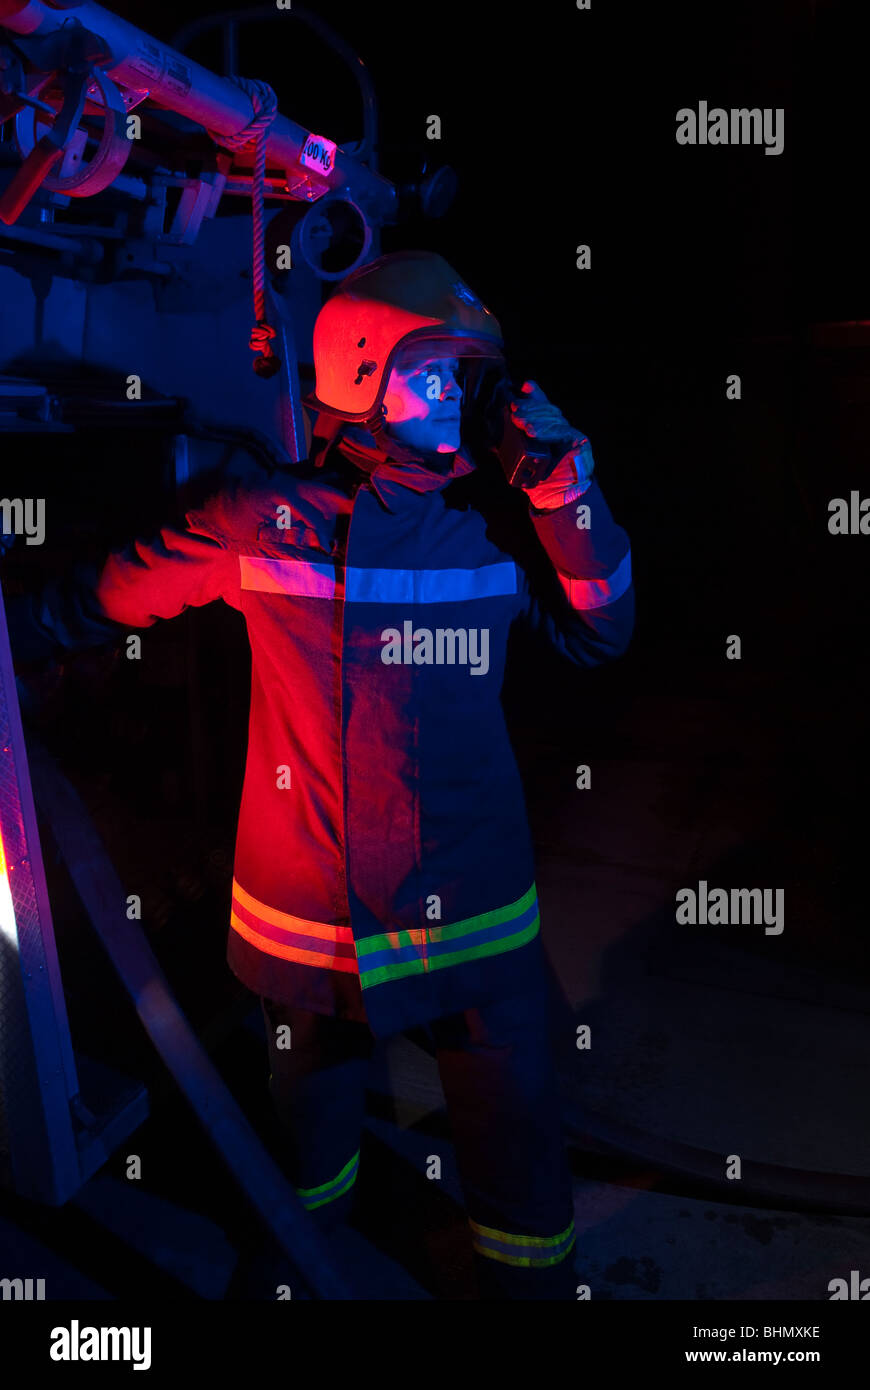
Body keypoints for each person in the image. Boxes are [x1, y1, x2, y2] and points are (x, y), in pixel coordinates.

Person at [6, 249, 634, 1298]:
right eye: (444, 371)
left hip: (474, 920)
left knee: (514, 1137)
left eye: (476, 374)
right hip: (309, 927)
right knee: (308, 1129)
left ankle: (526, 1285)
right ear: (355, 374)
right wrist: (13, 627)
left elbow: (600, 633)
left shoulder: (489, 540)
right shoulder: (263, 521)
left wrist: (568, 488)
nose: (467, 397)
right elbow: (107, 594)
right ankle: (300, 1254)